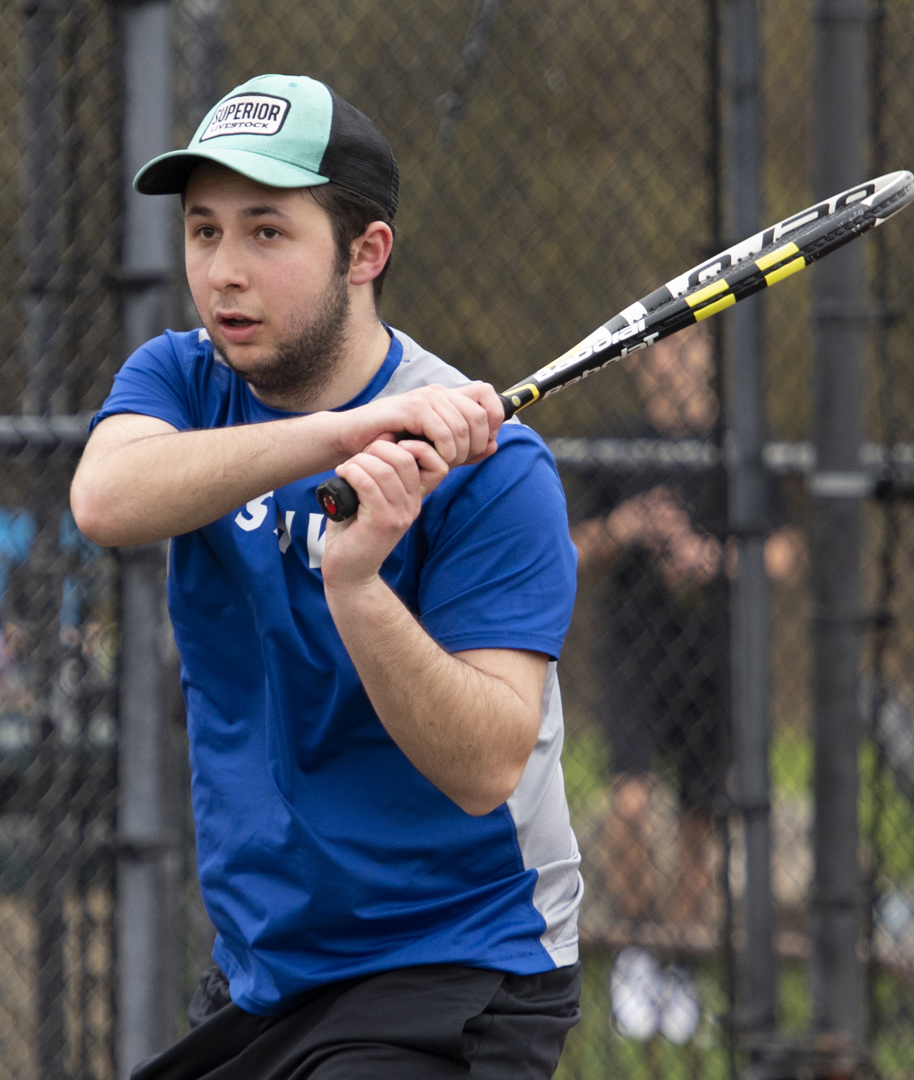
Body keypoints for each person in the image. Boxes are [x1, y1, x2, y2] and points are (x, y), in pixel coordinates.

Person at [72, 74, 583, 1078]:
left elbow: (486, 765)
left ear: (366, 253)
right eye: (204, 231)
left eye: (267, 233)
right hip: (268, 970)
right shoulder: (184, 380)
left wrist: (358, 586)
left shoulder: (497, 472)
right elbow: (106, 500)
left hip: (455, 965)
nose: (223, 273)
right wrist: (337, 437)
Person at [571, 323, 802, 1040]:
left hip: (717, 660)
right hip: (635, 658)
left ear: (708, 356)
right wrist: (628, 526)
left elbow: (785, 554)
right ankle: (637, 955)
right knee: (632, 804)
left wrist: (715, 559)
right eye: (661, 349)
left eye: (688, 346)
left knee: (703, 826)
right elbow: (568, 552)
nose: (674, 360)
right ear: (639, 363)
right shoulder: (609, 446)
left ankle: (682, 970)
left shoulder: (742, 446)